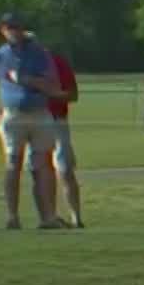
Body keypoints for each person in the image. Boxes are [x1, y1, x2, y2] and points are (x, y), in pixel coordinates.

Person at [0, 13, 62, 229]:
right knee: (12, 164)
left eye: (16, 27)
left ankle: (48, 217)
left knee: (43, 165)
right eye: (9, 28)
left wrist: (26, 80)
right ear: (2, 31)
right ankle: (12, 216)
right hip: (13, 115)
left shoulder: (39, 53)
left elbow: (53, 84)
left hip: (39, 112)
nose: (13, 32)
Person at [43, 40, 83, 228]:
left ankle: (76, 217)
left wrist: (49, 94)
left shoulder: (57, 63)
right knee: (42, 172)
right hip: (33, 122)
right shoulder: (22, 64)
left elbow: (73, 94)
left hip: (57, 120)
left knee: (65, 170)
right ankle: (50, 217)